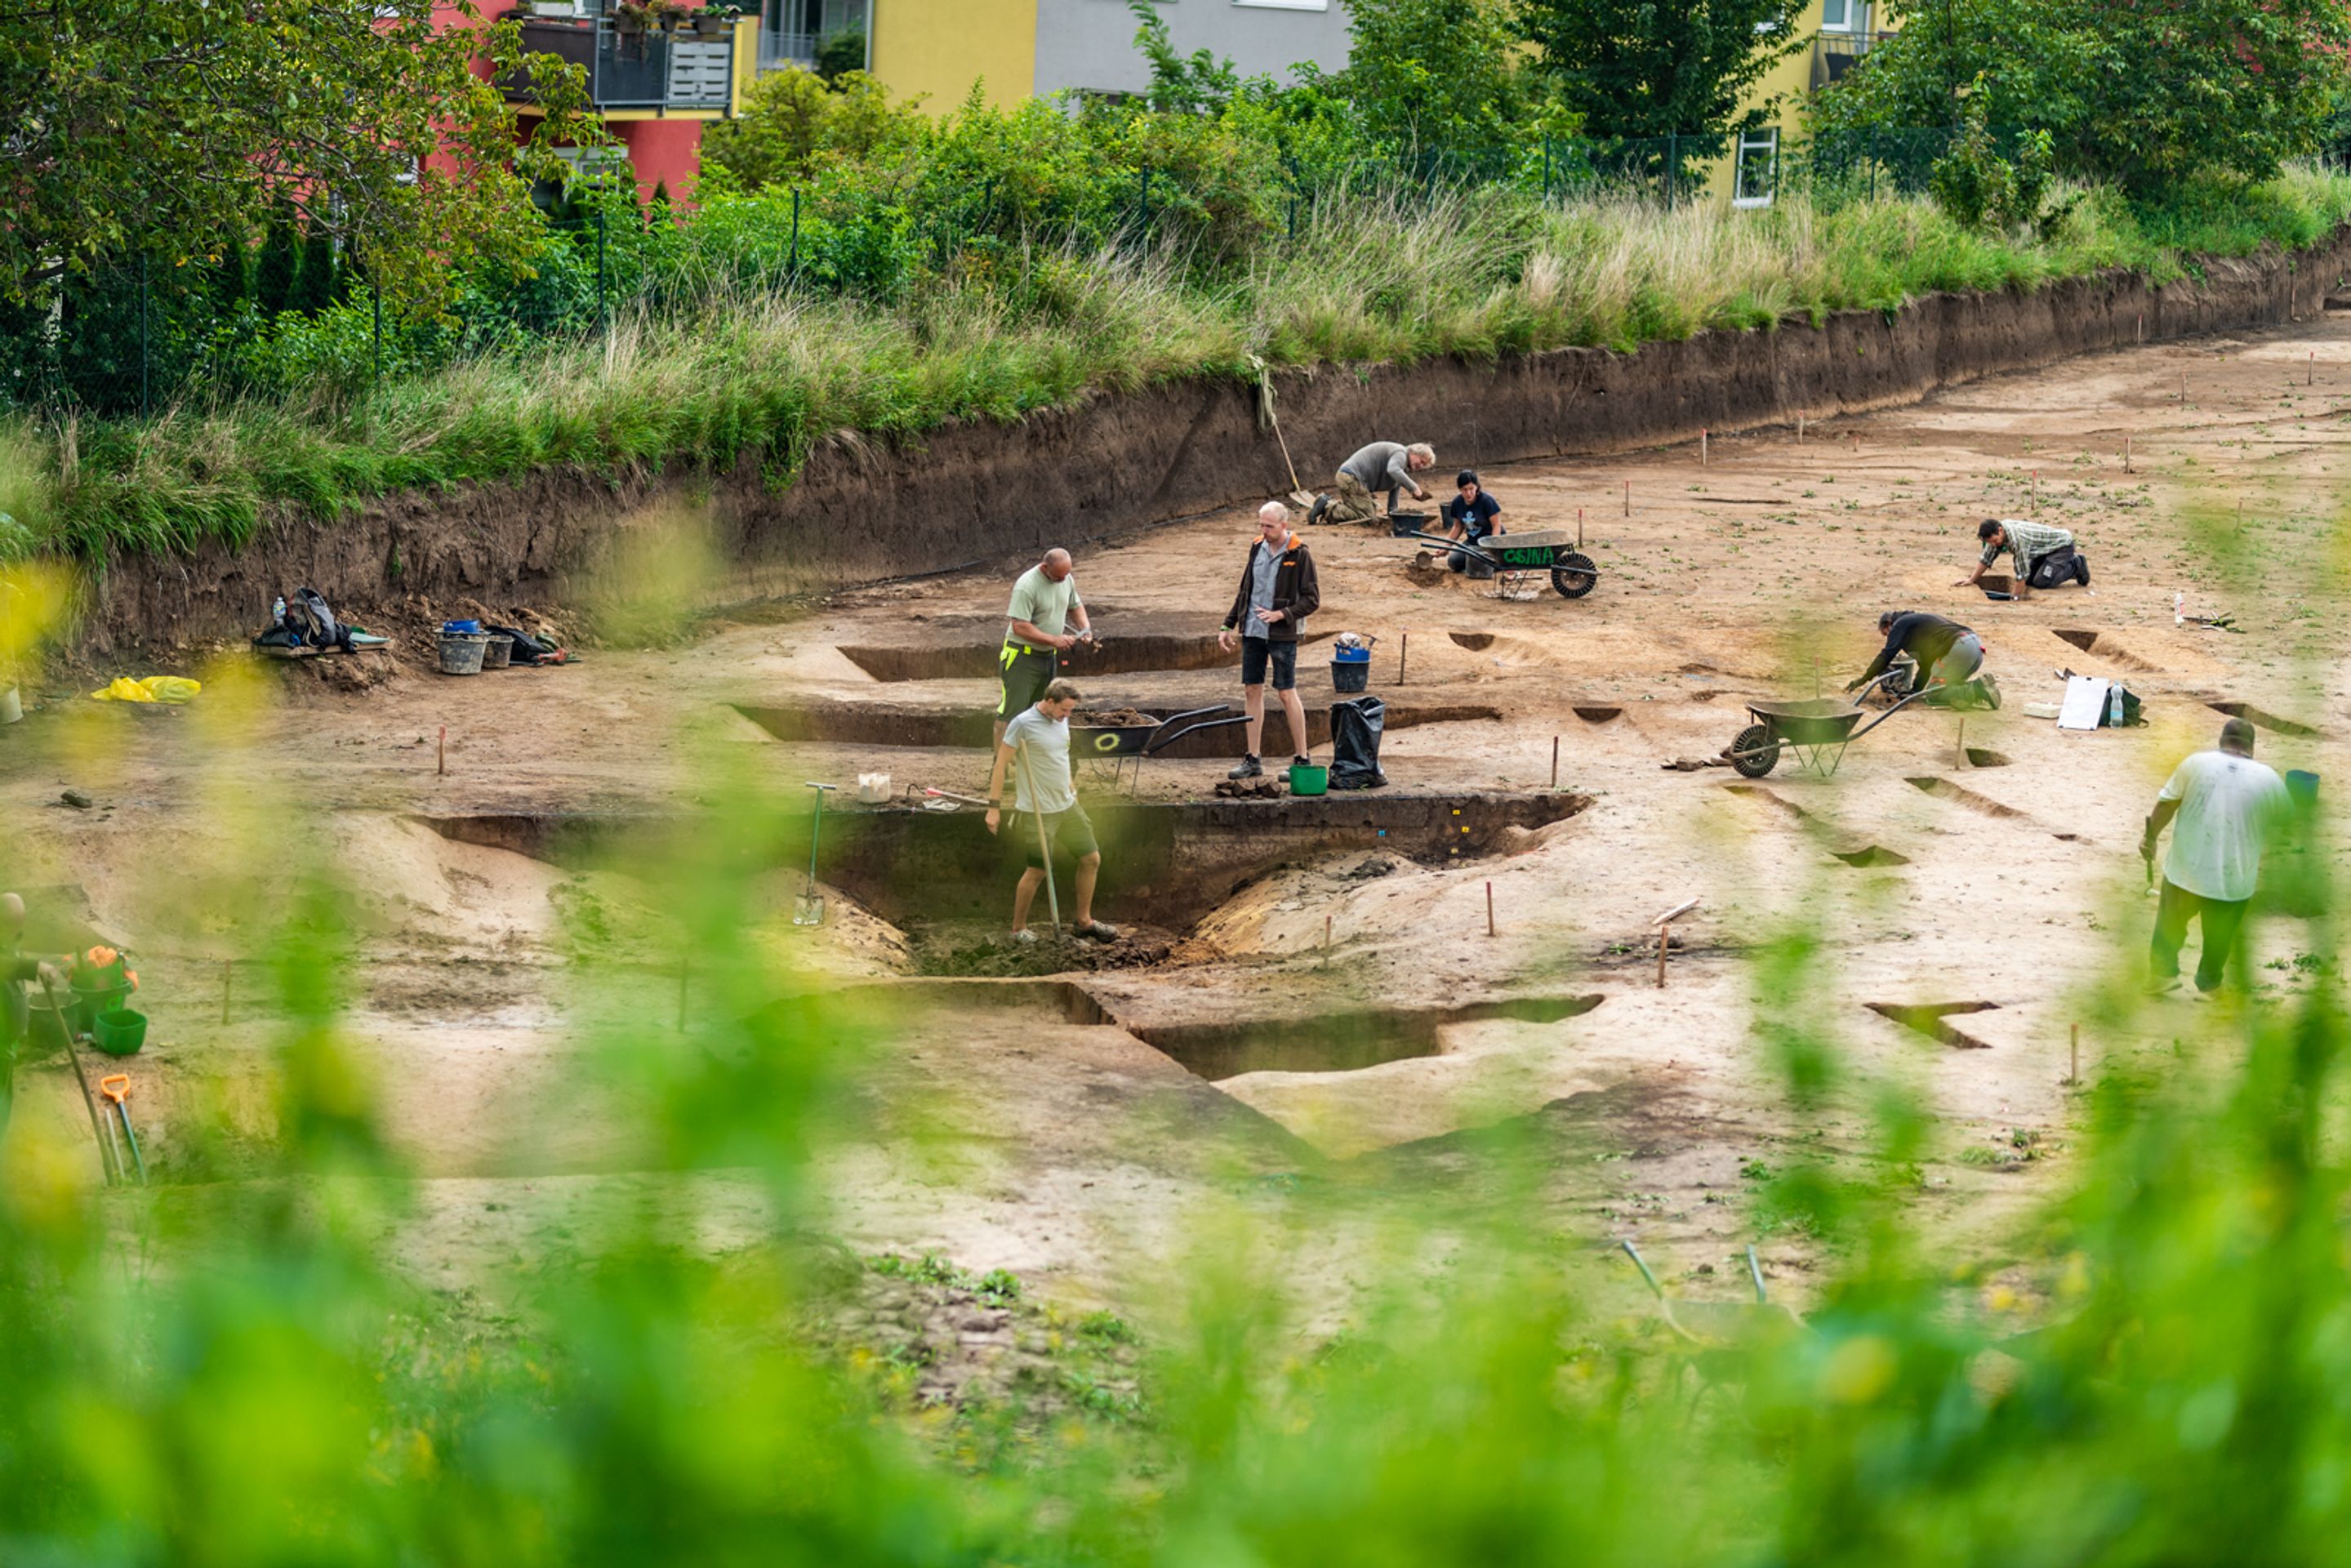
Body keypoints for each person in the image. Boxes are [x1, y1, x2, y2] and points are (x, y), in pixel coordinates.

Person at [2141, 716, 2290, 996]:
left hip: (2186, 870)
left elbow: (2166, 804)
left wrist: (2149, 838)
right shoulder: (2268, 778)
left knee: (2170, 922)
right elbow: (2286, 826)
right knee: (2220, 935)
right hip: (2234, 877)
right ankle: (2210, 983)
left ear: (2221, 741)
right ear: (2252, 747)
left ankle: (2161, 974)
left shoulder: (2195, 763)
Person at [986, 679, 1116, 944]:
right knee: (1037, 870)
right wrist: (993, 808)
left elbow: (1062, 757)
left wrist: (1071, 787)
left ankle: (1084, 921)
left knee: (1091, 858)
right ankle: (1018, 929)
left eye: (1070, 711)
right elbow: (1000, 766)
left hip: (1067, 805)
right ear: (1050, 701)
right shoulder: (1022, 724)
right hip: (1038, 811)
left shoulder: (1062, 721)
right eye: (1064, 710)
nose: (1067, 716)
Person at [1218, 501, 1321, 780]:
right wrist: (1228, 623)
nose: (1264, 531)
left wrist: (1282, 614)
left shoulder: (1299, 554)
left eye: (1269, 526)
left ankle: (1302, 759)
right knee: (1252, 689)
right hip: (1252, 630)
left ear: (1284, 525)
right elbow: (1245, 590)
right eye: (1261, 525)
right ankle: (1253, 758)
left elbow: (1312, 600)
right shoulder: (1257, 547)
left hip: (1281, 634)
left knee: (1286, 692)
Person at [996, 549, 1092, 746]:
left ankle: (1034, 764)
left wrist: (1085, 628)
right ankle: (1001, 768)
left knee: (1045, 710)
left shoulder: (1066, 579)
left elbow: (1075, 606)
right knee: (1012, 713)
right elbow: (1019, 626)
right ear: (1045, 566)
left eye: (1066, 575)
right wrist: (1053, 640)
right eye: (1058, 576)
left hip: (1047, 657)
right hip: (1022, 657)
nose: (1062, 580)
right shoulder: (1027, 585)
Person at [0, 893, 67, 1142]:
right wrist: (35, 967)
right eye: (9, 928)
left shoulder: (9, 940)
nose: (14, 935)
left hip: (7, 1048)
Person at [1846, 610, 1982, 696]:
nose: (1890, 638)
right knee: (1950, 687)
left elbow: (1886, 656)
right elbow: (1925, 665)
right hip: (1975, 647)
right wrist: (1915, 691)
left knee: (1934, 695)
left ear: (1888, 624)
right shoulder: (1917, 625)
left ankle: (1979, 690)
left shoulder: (1900, 625)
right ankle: (1979, 690)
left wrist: (1862, 680)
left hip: (1960, 648)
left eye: (1887, 634)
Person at [1958, 518, 2091, 599]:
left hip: (2061, 546)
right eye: (1990, 542)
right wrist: (1971, 580)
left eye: (1994, 540)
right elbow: (1985, 559)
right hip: (2042, 551)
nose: (1994, 544)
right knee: (2031, 580)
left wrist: (2015, 598)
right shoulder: (1998, 536)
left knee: (2042, 581)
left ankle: (2076, 564)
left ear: (2000, 530)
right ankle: (2059, 567)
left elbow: (2022, 574)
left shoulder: (2017, 540)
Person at [1310, 441, 1436, 526]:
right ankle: (1327, 506)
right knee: (1367, 518)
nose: (1421, 466)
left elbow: (1394, 493)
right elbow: (1393, 470)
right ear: (1415, 453)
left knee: (1371, 512)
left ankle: (1329, 506)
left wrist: (1394, 517)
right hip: (1351, 478)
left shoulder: (1400, 467)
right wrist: (1414, 488)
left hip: (1352, 480)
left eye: (1424, 465)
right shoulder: (1401, 453)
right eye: (1422, 461)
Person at [1435, 469, 1503, 576]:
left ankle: (1489, 563)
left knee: (1488, 560)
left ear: (1477, 487)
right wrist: (1446, 547)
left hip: (1490, 541)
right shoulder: (1457, 503)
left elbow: (1497, 525)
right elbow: (1457, 527)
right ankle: (1478, 563)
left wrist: (1492, 548)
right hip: (1473, 543)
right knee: (1453, 561)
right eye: (1464, 490)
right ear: (1460, 489)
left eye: (1471, 489)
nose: (1469, 493)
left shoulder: (1487, 501)